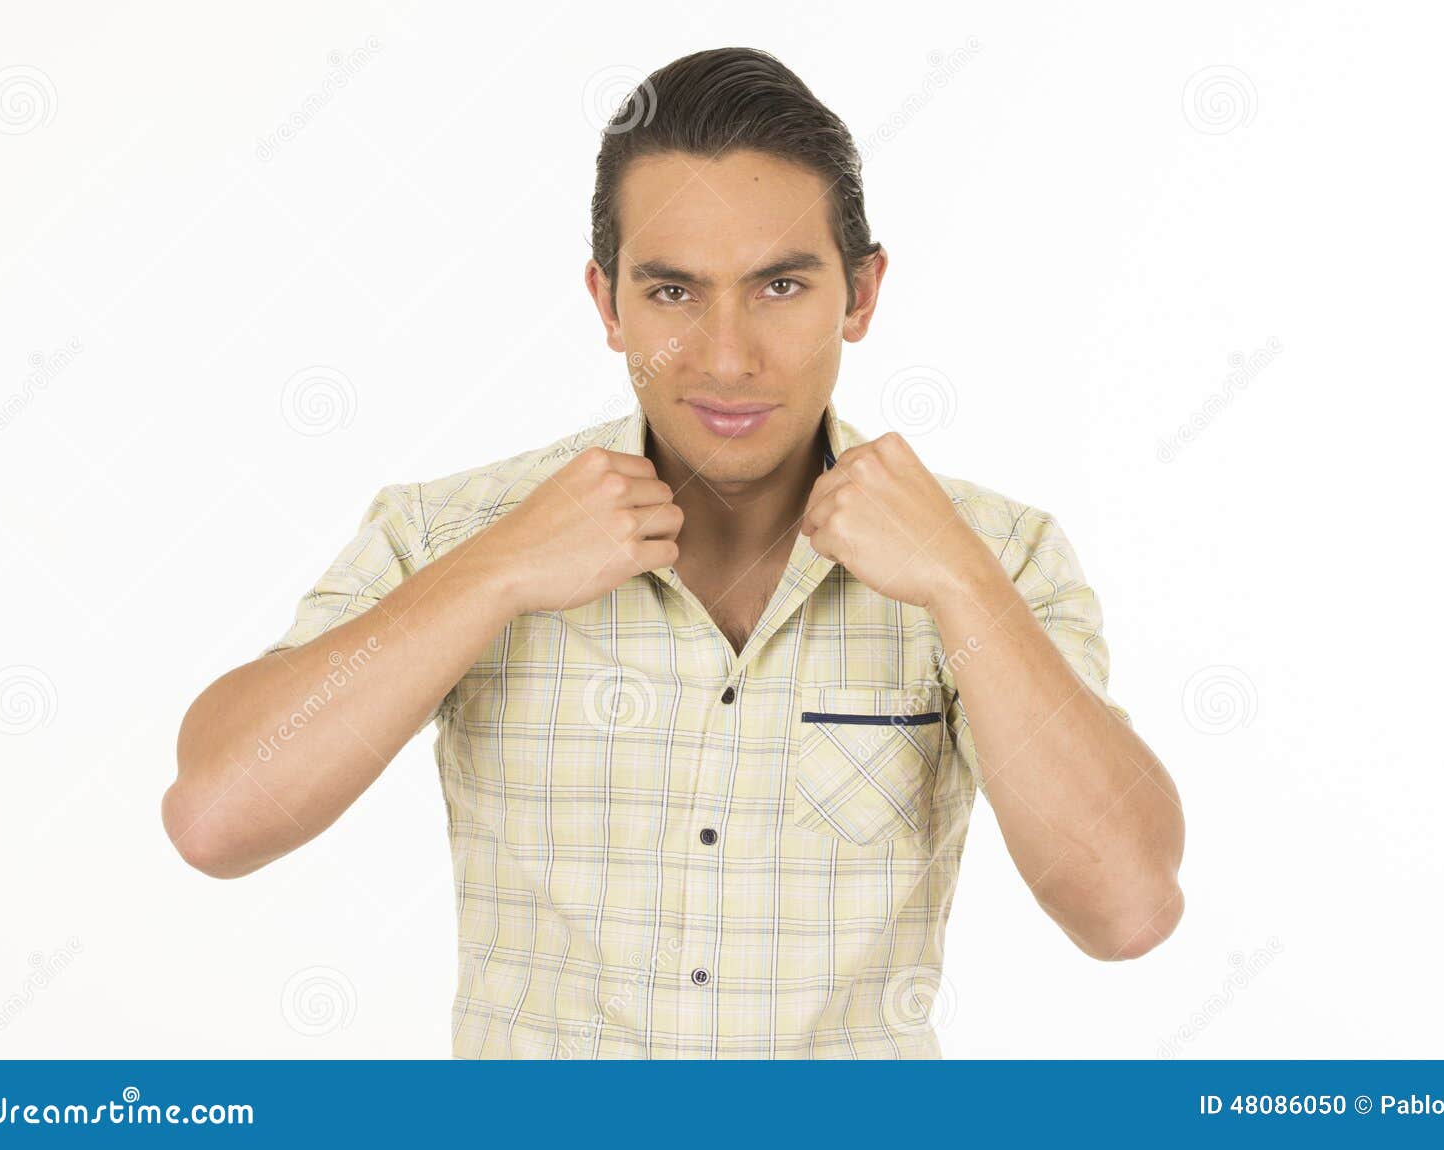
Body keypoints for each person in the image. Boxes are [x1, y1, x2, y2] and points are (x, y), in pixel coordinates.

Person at [164, 46, 1185, 1059]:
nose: (727, 356)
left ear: (861, 295)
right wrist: (499, 569)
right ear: (608, 303)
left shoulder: (998, 553)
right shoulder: (449, 533)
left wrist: (961, 585)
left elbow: (1126, 909)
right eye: (673, 293)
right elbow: (216, 817)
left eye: (781, 286)